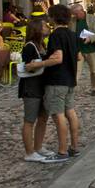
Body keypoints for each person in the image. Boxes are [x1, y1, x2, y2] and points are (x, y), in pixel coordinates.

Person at [36, 4, 80, 161]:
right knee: (71, 113)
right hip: (70, 79)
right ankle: (74, 147)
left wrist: (38, 64)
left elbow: (58, 58)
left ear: (54, 18)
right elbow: (79, 56)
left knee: (58, 115)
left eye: (49, 16)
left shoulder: (56, 35)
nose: (48, 19)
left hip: (57, 80)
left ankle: (62, 151)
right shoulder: (72, 34)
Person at [18, 19, 54, 162]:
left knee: (43, 118)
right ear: (37, 29)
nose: (47, 27)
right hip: (31, 87)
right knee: (29, 120)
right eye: (44, 25)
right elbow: (29, 67)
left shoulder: (42, 44)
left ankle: (38, 147)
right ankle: (29, 152)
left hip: (42, 85)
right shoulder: (29, 46)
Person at [73, 3, 95, 95]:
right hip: (78, 50)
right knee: (75, 71)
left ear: (81, 11)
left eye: (75, 14)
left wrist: (90, 38)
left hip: (91, 49)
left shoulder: (94, 18)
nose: (74, 16)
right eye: (73, 14)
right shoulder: (72, 21)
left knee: (94, 70)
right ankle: (71, 90)